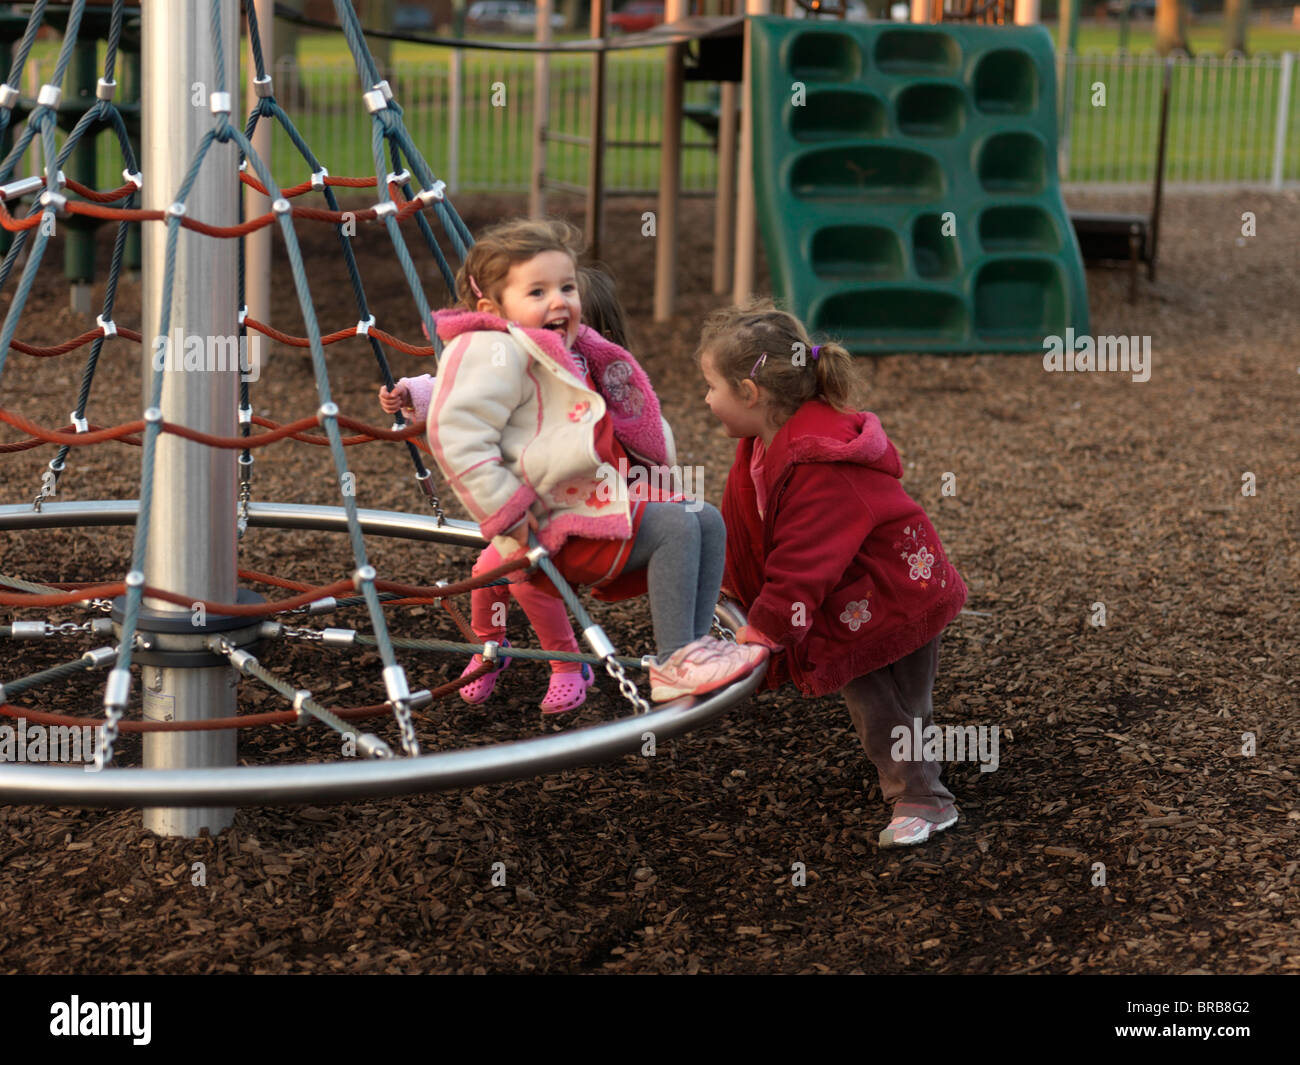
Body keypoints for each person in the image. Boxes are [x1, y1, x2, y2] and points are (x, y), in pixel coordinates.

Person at [382, 218, 765, 704]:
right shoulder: (497, 352)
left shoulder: (562, 350)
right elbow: (457, 426)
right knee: (678, 528)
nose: (559, 300)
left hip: (588, 504)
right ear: (492, 308)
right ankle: (676, 658)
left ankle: (697, 649)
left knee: (703, 517)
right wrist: (509, 514)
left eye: (566, 286)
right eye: (537, 291)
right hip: (548, 529)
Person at [696, 301, 967, 847]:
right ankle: (916, 773)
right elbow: (747, 527)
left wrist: (766, 630)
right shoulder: (762, 443)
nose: (706, 400)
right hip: (860, 600)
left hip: (893, 599)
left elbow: (804, 562)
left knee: (886, 706)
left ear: (750, 395)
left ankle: (925, 801)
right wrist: (732, 592)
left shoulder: (817, 462)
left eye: (711, 387)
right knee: (894, 704)